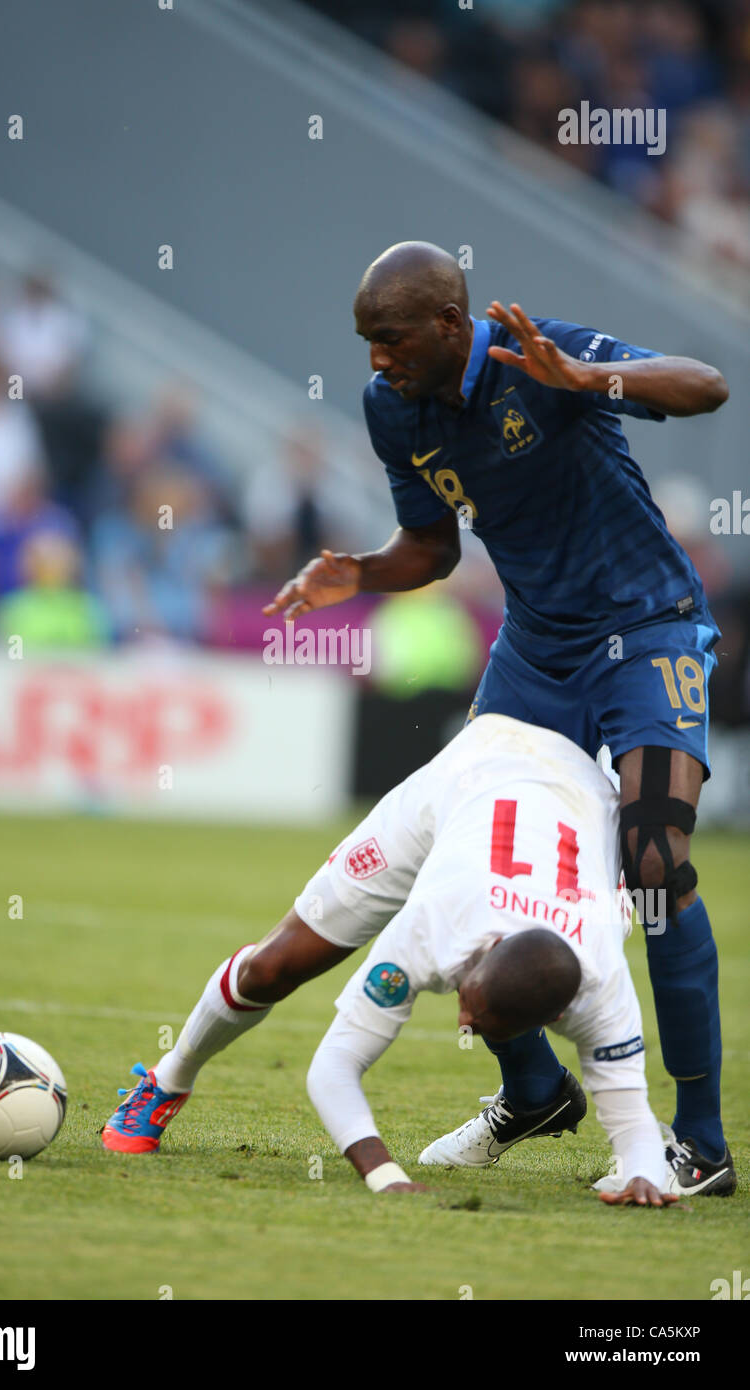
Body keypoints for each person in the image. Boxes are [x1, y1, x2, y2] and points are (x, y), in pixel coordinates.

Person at [261, 241, 734, 1197]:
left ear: (448, 324)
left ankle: (701, 1140)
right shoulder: (391, 407)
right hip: (538, 649)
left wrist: (591, 378)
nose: (375, 361)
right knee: (473, 865)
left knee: (652, 860)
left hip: (648, 628)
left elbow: (708, 384)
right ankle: (533, 1091)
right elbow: (431, 550)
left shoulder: (539, 356)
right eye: (365, 343)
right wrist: (360, 571)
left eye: (389, 340)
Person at [103, 713, 679, 1206]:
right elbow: (331, 1068)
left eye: (476, 1020)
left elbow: (630, 1116)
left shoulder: (602, 982)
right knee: (275, 966)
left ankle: (537, 1093)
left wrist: (646, 1179)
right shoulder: (432, 924)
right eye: (470, 1004)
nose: (460, 1022)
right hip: (466, 776)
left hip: (575, 795)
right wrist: (382, 1172)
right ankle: (169, 1077)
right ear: (485, 954)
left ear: (560, 1017)